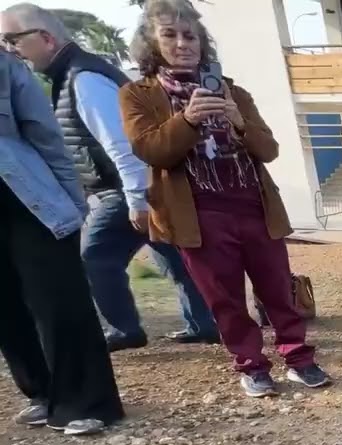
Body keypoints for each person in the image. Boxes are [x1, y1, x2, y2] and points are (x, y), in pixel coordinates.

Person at [120, 0, 329, 398]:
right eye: (170, 35)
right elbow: (151, 150)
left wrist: (238, 120)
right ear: (152, 43)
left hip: (253, 204)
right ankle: (251, 365)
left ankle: (299, 358)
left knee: (277, 289)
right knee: (225, 298)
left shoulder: (233, 90)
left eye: (190, 35)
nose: (183, 43)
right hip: (198, 214)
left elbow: (268, 149)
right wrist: (188, 120)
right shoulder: (138, 95)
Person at [1, 2, 217, 351]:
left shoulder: (84, 78)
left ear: (45, 38)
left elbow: (123, 145)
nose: (10, 50)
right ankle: (205, 322)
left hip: (124, 188)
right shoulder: (73, 74)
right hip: (134, 186)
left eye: (13, 40)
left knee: (95, 256)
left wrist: (136, 199)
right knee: (172, 255)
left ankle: (124, 330)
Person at [0, 50, 123, 436]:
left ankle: (86, 401)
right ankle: (43, 392)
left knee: (58, 300)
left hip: (26, 202)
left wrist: (72, 202)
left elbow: (47, 136)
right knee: (4, 307)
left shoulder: (6, 67)